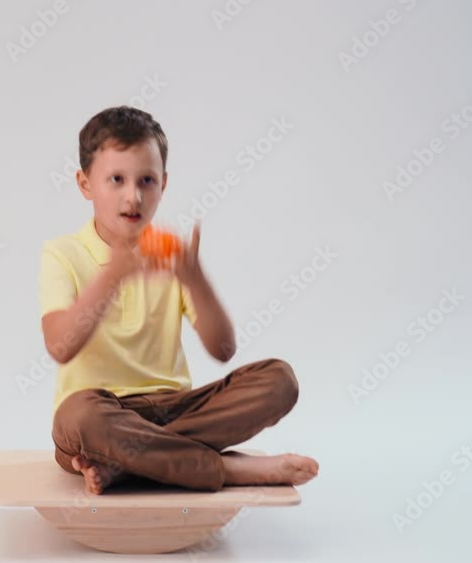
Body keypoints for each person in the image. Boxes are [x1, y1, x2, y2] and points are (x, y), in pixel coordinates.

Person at [39, 106, 318, 494]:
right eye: (116, 179)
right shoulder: (62, 253)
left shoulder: (171, 256)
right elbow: (60, 345)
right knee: (80, 416)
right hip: (99, 418)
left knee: (279, 380)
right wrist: (113, 274)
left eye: (147, 181)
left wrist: (195, 278)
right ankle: (225, 469)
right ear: (85, 184)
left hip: (174, 406)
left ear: (164, 185)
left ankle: (129, 463)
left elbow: (222, 350)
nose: (133, 196)